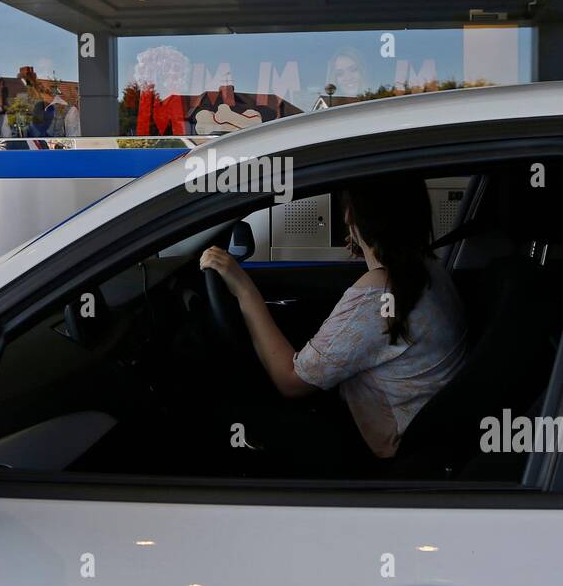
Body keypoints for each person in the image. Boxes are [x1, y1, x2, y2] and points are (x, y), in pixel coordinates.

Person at [200, 175, 467, 462]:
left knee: (223, 421)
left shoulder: (378, 296)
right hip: (422, 431)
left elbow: (290, 381)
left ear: (350, 214)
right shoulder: (427, 267)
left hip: (389, 450)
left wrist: (244, 290)